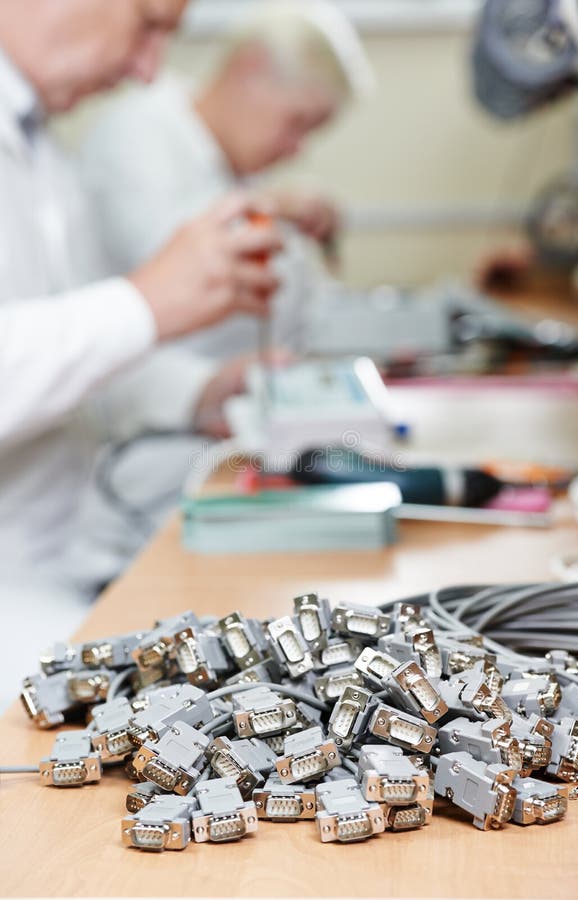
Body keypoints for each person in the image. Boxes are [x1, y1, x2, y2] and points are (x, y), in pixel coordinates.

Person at [0, 0, 284, 710]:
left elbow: (78, 365)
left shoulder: (42, 153)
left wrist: (204, 389)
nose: (150, 69)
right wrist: (145, 303)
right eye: (148, 23)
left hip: (68, 553)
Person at [81, 0, 374, 360]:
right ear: (250, 68)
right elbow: (170, 273)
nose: (297, 149)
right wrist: (270, 207)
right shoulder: (136, 134)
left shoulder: (238, 167)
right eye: (297, 122)